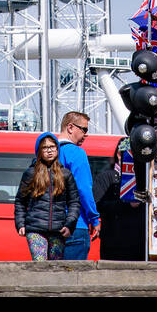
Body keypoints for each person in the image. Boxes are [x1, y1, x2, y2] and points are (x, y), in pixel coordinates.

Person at [14, 133, 79, 261]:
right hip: (35, 229)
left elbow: (74, 202)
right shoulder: (30, 173)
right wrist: (20, 224)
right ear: (39, 151)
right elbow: (20, 201)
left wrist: (70, 224)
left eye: (52, 147)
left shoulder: (66, 174)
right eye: (45, 148)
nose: (49, 151)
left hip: (59, 230)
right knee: (40, 263)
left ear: (57, 149)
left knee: (55, 266)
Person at [93, 137, 146, 261]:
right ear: (119, 154)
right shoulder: (106, 177)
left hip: (138, 242)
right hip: (114, 241)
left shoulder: (144, 178)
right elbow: (98, 204)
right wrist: (126, 203)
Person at [55, 111, 100, 259]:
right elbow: (83, 189)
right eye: (84, 129)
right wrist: (94, 219)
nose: (86, 134)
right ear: (70, 127)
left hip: (49, 225)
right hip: (75, 226)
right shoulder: (77, 153)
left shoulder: (46, 153)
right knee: (72, 279)